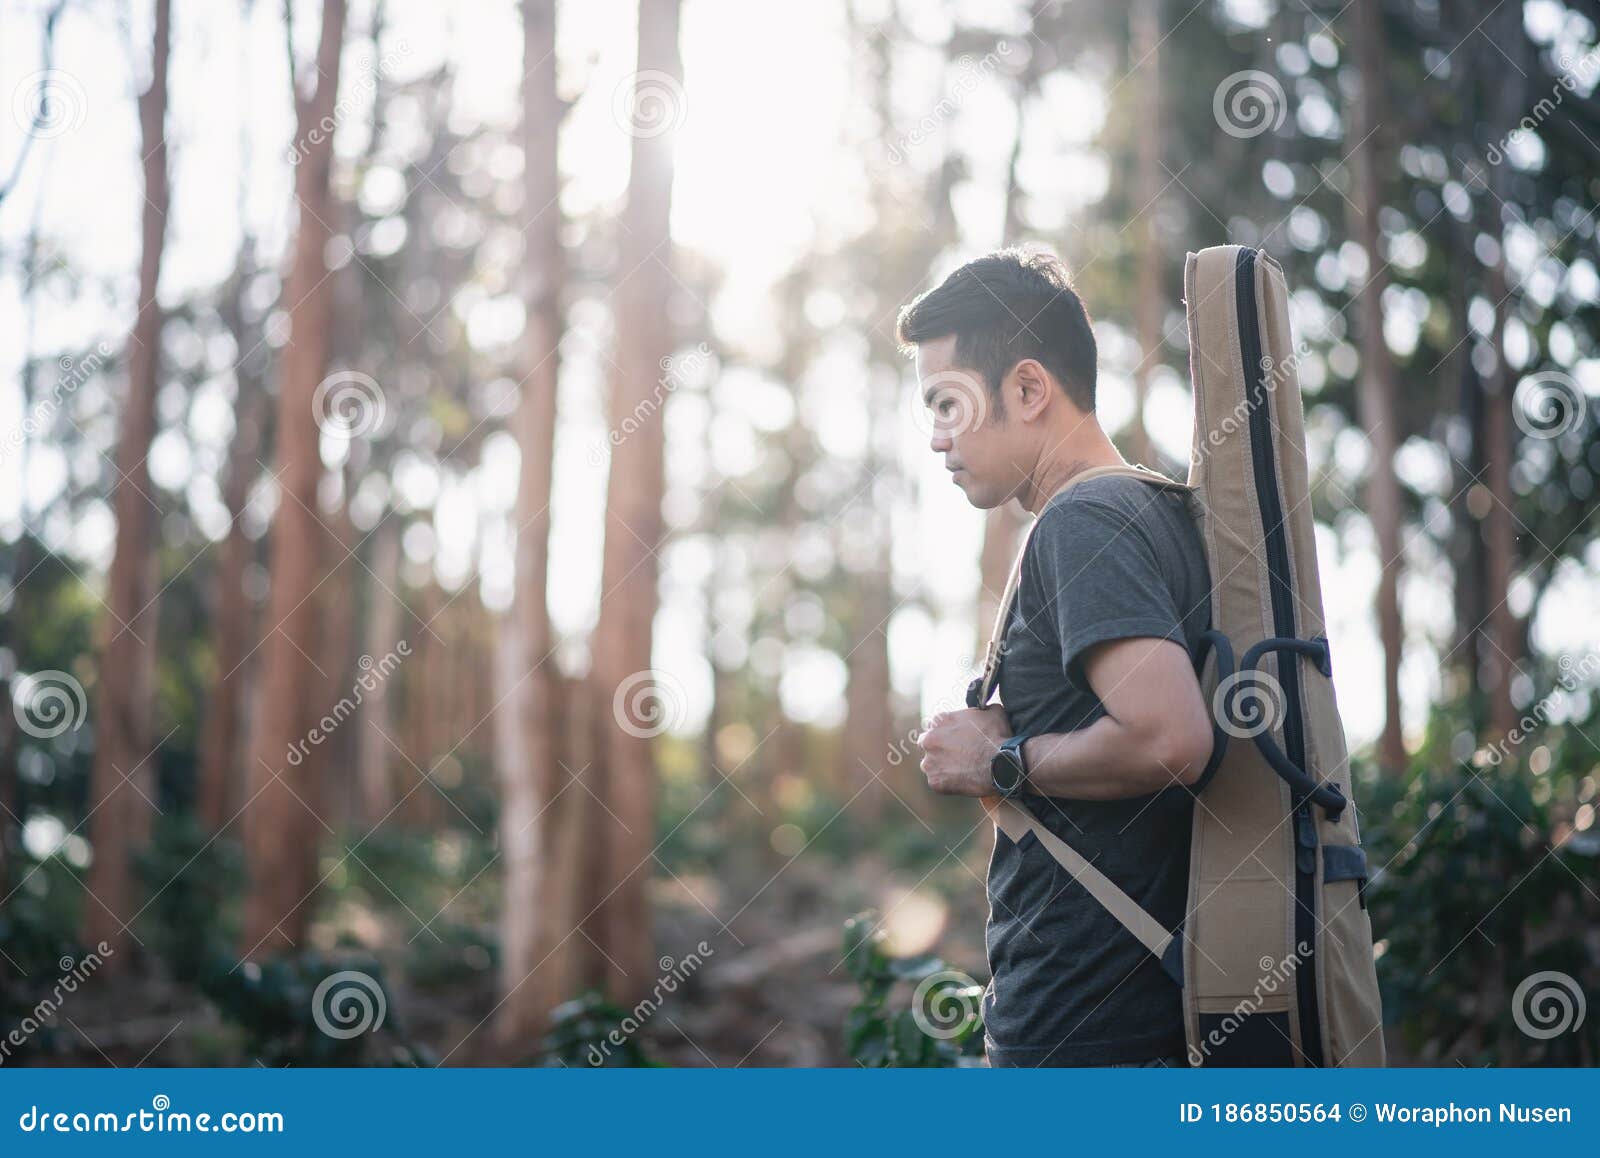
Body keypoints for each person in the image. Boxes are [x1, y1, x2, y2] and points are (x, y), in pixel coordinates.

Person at [900, 248, 1213, 1068]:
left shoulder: (1086, 523)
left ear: (1029, 389)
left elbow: (1169, 740)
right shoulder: (1153, 510)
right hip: (1133, 1027)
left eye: (948, 404)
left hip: (1089, 1041)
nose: (936, 438)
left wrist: (999, 761)